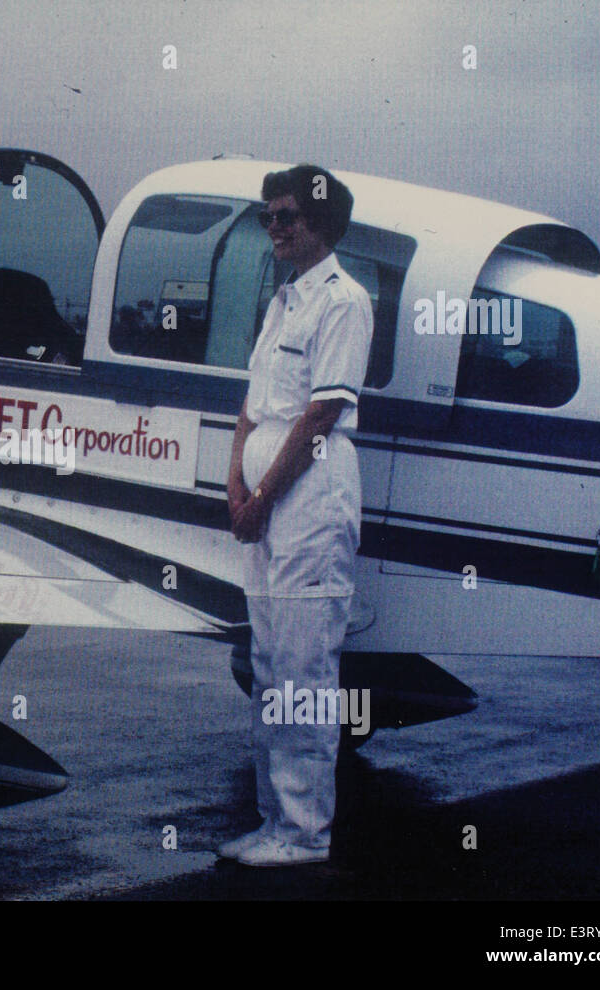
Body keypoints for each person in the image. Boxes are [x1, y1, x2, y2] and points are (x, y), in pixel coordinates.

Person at [220, 164, 372, 866]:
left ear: (323, 224)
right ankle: (271, 819)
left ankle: (304, 833)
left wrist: (262, 499)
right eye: (268, 216)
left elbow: (319, 416)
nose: (275, 226)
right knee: (269, 663)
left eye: (288, 216)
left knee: (303, 673)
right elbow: (253, 411)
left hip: (307, 506)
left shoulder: (343, 301)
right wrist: (233, 485)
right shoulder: (283, 301)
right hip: (266, 510)